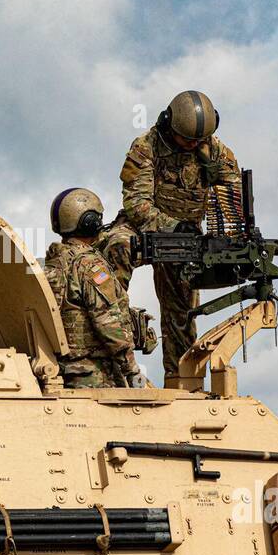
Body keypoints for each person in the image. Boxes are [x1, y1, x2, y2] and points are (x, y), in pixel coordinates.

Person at [100, 90, 242, 386]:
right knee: (118, 246)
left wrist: (230, 237)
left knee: (182, 313)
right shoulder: (146, 147)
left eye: (198, 140)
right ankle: (108, 338)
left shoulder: (215, 150)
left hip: (188, 235)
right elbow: (137, 203)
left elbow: (233, 195)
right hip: (143, 227)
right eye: (187, 139)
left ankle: (182, 383)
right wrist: (172, 226)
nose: (193, 145)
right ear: (169, 124)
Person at [42, 188, 138, 388]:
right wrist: (131, 368)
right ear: (90, 222)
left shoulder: (54, 262)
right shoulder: (90, 265)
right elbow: (107, 322)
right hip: (96, 374)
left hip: (65, 371)